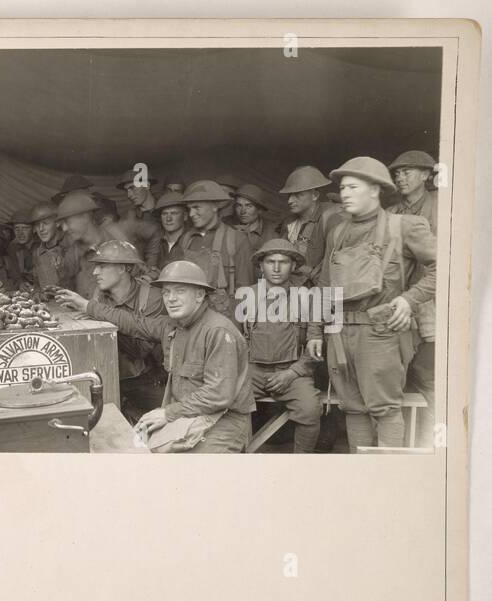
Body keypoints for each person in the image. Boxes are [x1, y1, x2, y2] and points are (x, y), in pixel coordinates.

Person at [306, 157, 436, 451]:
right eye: (343, 188)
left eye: (353, 187)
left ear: (375, 190)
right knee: (353, 409)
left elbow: (444, 267)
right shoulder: (337, 231)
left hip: (382, 334)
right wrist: (315, 331)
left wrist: (408, 299)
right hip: (340, 335)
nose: (345, 194)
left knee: (385, 410)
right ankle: (361, 476)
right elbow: (325, 285)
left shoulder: (404, 226)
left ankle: (387, 482)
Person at [99, 260, 255, 452]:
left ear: (199, 295)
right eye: (166, 292)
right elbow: (133, 323)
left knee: (184, 470)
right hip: (188, 415)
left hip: (225, 422)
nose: (170, 298)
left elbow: (218, 396)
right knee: (136, 449)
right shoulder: (173, 325)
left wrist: (167, 413)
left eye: (180, 291)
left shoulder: (218, 331)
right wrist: (86, 306)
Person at [52, 239, 168, 423]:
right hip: (112, 376)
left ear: (122, 268)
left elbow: (141, 350)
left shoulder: (151, 297)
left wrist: (97, 315)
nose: (95, 272)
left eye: (102, 266)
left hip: (148, 381)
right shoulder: (99, 294)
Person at [239, 239, 321, 453]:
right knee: (228, 403)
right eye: (270, 261)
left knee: (310, 410)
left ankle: (300, 464)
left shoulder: (308, 298)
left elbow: (317, 345)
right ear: (261, 265)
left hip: (293, 371)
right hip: (252, 370)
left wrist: (293, 373)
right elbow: (231, 342)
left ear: (293, 266)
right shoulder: (245, 297)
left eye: (283, 262)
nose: (276, 268)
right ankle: (236, 462)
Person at [388, 150, 439, 445]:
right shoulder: (393, 212)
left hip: (432, 301)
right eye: (397, 173)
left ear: (426, 175)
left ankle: (433, 446)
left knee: (428, 374)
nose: (400, 177)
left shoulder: (442, 206)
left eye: (407, 171)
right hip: (401, 301)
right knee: (397, 374)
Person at [180, 180, 256, 313]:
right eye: (189, 209)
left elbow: (245, 291)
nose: (191, 214)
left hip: (224, 317)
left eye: (197, 207)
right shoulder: (186, 240)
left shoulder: (237, 240)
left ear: (215, 207)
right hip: (189, 315)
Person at [278, 165, 342, 284]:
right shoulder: (289, 222)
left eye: (298, 194)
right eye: (289, 195)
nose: (290, 201)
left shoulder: (330, 219)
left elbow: (335, 268)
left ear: (315, 195)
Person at [54, 191, 123, 297]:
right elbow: (66, 288)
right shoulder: (73, 253)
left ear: (84, 217)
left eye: (67, 222)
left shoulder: (115, 241)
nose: (64, 228)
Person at [115, 169, 165, 271]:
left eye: (132, 188)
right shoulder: (128, 218)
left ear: (147, 185)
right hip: (142, 273)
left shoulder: (165, 210)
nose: (129, 195)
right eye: (127, 191)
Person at [28, 202, 67, 289]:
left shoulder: (70, 248)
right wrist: (37, 292)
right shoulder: (37, 253)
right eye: (37, 225)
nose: (41, 229)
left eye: (45, 223)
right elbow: (37, 283)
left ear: (57, 223)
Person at [232, 184, 278, 249]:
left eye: (249, 206)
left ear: (259, 210)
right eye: (239, 205)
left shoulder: (274, 232)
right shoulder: (228, 229)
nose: (243, 211)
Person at [156, 191, 190, 263]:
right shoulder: (155, 242)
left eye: (174, 213)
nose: (168, 219)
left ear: (185, 216)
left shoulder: (193, 241)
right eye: (164, 214)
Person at [7, 208, 37, 284]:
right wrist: (20, 282)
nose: (20, 234)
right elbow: (14, 272)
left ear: (34, 229)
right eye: (17, 229)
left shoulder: (42, 245)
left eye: (25, 228)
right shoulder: (12, 247)